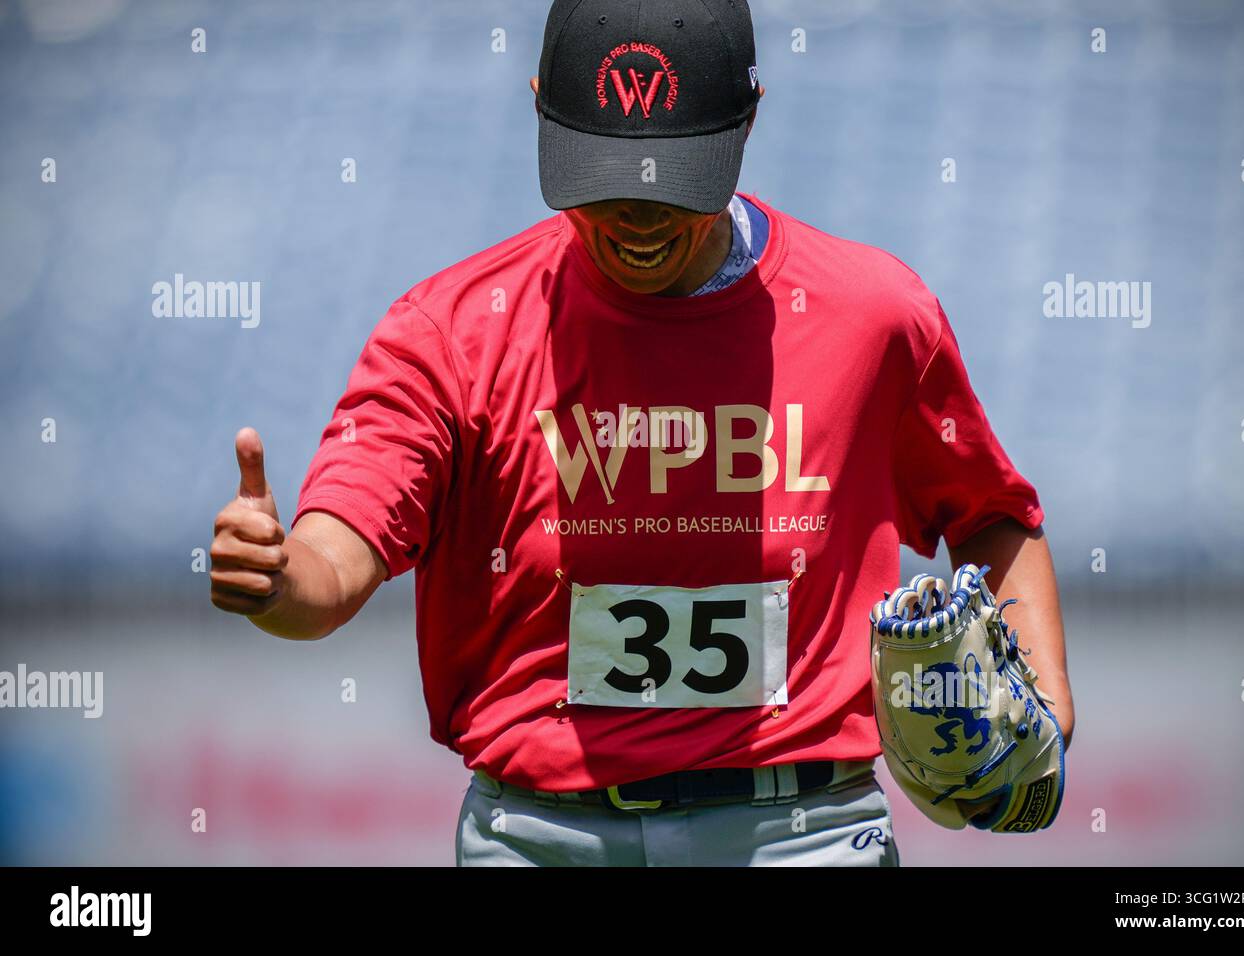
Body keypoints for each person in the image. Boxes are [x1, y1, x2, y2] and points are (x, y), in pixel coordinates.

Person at [209, 0, 1074, 867]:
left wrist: (1046, 717)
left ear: (749, 118)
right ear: (541, 106)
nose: (640, 217)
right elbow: (334, 560)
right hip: (535, 841)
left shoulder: (875, 319)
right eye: (602, 177)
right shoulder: (451, 331)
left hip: (806, 837)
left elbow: (994, 517)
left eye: (675, 183)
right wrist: (280, 580)